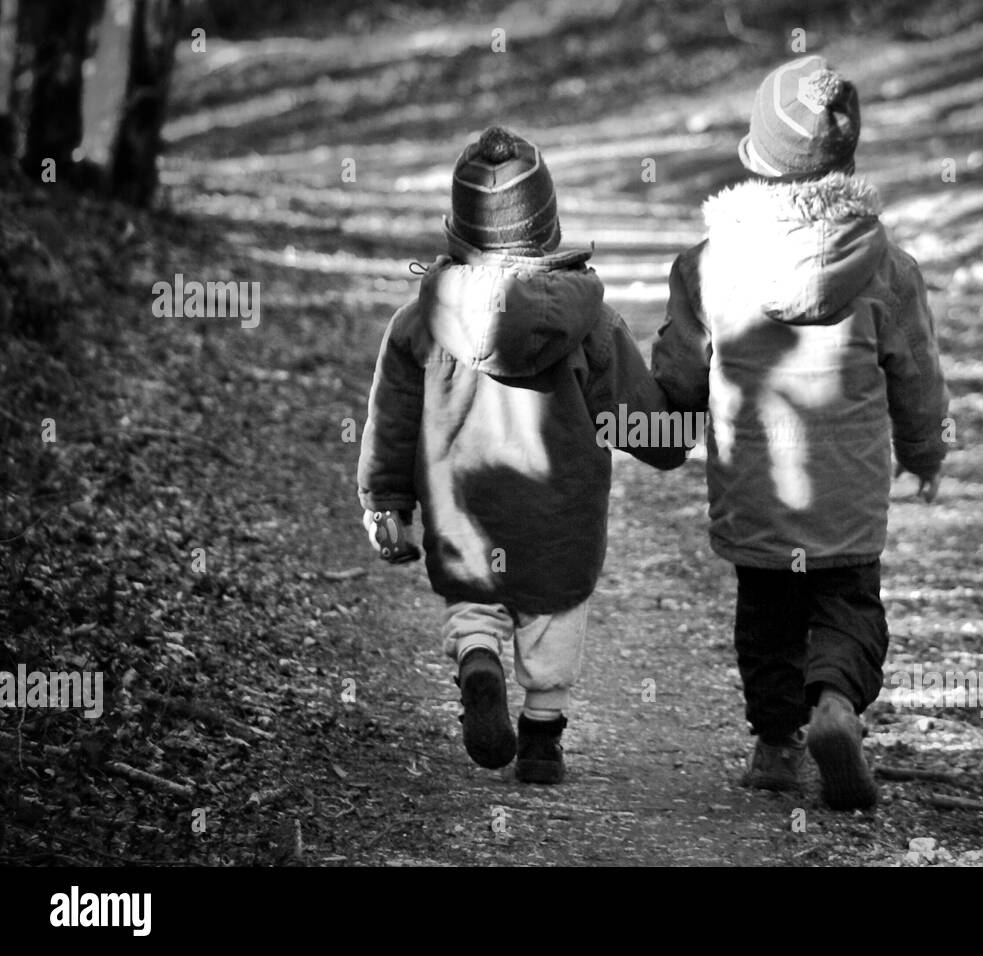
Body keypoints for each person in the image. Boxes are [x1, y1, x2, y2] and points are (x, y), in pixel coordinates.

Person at [651, 57, 950, 809]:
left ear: (754, 161)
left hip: (756, 495)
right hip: (846, 503)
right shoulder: (887, 268)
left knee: (768, 617)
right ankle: (837, 705)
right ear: (847, 161)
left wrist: (657, 432)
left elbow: (683, 381)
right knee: (848, 611)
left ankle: (776, 748)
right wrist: (923, 453)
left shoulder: (708, 267)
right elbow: (915, 378)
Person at [358, 127, 684, 784]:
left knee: (474, 604)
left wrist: (385, 501)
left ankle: (478, 659)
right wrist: (677, 422)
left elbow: (392, 420)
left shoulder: (416, 324)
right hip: (558, 521)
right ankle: (541, 739)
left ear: (457, 228)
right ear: (548, 226)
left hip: (462, 517)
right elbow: (647, 429)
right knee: (553, 613)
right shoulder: (591, 323)